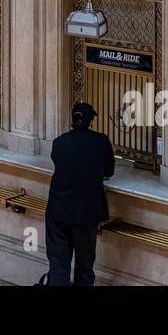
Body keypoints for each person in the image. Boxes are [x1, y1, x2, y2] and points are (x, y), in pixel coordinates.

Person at [44, 101, 116, 287]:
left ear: (72, 120)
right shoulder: (101, 142)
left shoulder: (59, 143)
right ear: (91, 121)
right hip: (86, 215)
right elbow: (109, 171)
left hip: (58, 212)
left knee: (59, 265)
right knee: (84, 268)